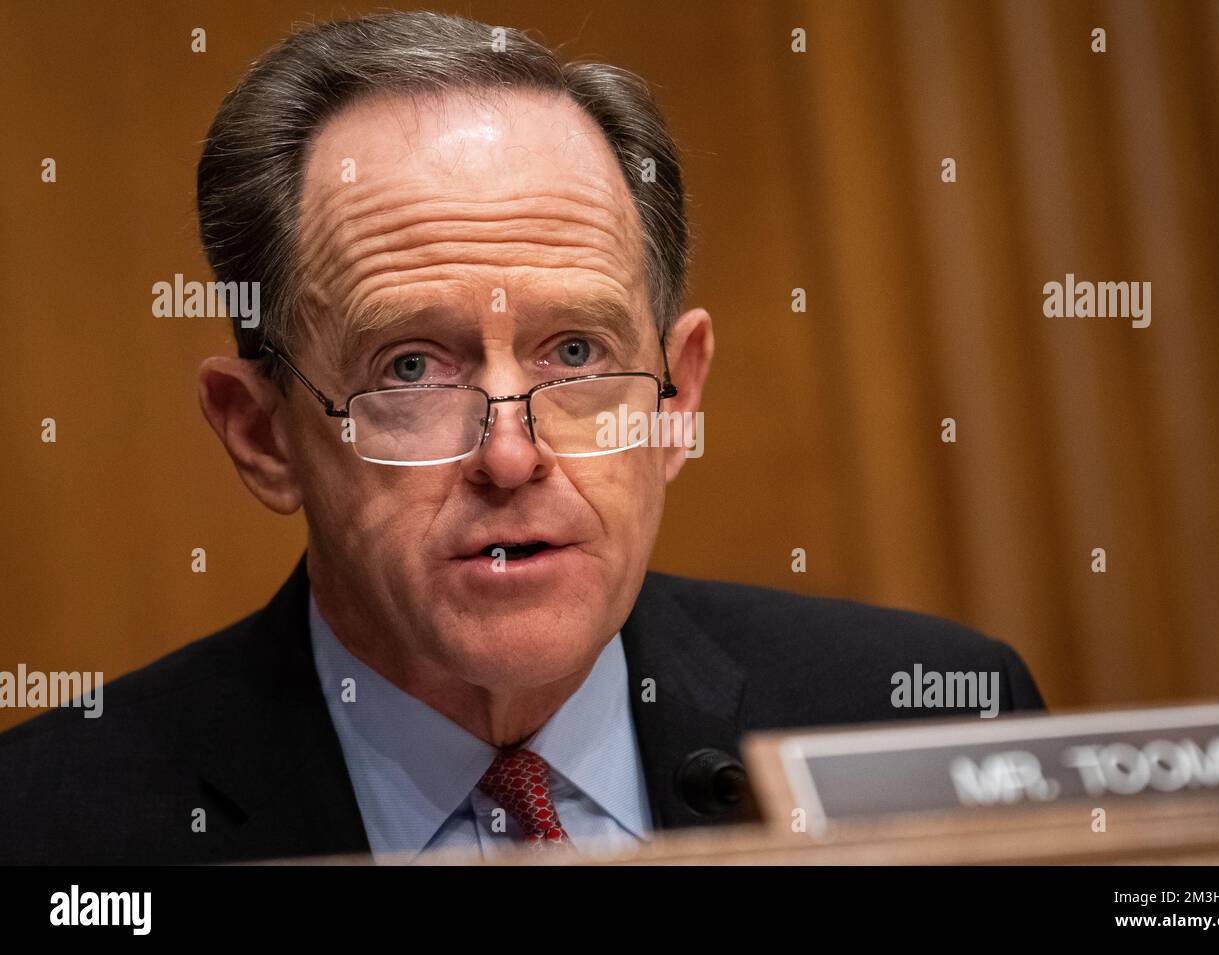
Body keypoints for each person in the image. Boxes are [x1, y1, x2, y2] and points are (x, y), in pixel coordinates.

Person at [0, 11, 1044, 865]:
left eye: (577, 354)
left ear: (677, 400)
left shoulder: (925, 725)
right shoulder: (52, 831)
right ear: (261, 434)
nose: (509, 458)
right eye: (409, 368)